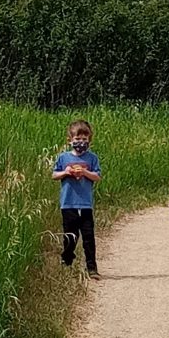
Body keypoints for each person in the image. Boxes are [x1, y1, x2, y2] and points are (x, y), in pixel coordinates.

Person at [52, 119, 101, 278]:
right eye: (77, 140)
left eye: (84, 140)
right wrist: (66, 172)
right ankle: (66, 262)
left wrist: (85, 173)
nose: (81, 142)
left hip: (86, 204)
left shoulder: (92, 158)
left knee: (88, 237)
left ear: (89, 140)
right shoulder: (63, 158)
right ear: (70, 140)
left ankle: (92, 268)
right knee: (70, 236)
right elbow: (54, 175)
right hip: (68, 204)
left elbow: (97, 176)